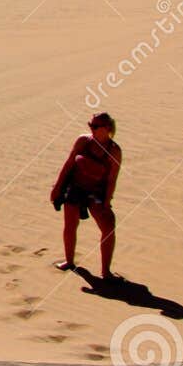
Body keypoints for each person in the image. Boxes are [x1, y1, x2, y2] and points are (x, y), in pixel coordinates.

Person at [49, 112, 122, 279]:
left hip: (96, 192)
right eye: (91, 124)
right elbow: (68, 164)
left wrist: (106, 202)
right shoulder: (83, 141)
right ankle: (69, 261)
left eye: (95, 126)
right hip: (75, 187)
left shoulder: (114, 151)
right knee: (70, 225)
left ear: (107, 128)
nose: (91, 128)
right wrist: (58, 187)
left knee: (108, 227)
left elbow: (112, 179)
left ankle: (106, 272)